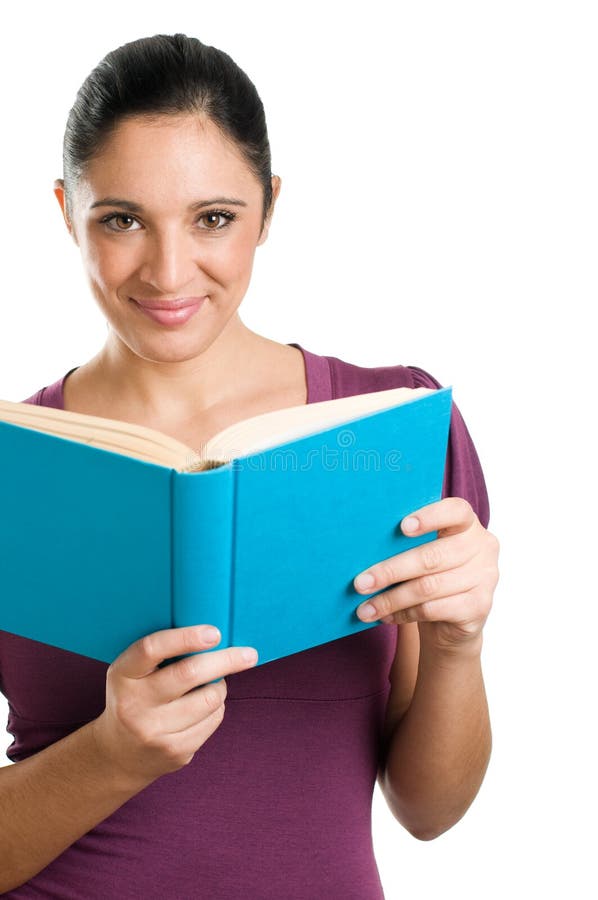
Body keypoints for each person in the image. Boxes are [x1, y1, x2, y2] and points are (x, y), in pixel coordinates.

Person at [0, 32, 500, 898]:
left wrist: (459, 645)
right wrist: (113, 755)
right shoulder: (14, 463)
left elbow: (430, 811)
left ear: (268, 208)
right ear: (65, 211)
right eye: (121, 219)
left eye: (213, 218)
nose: (168, 271)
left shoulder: (393, 429)